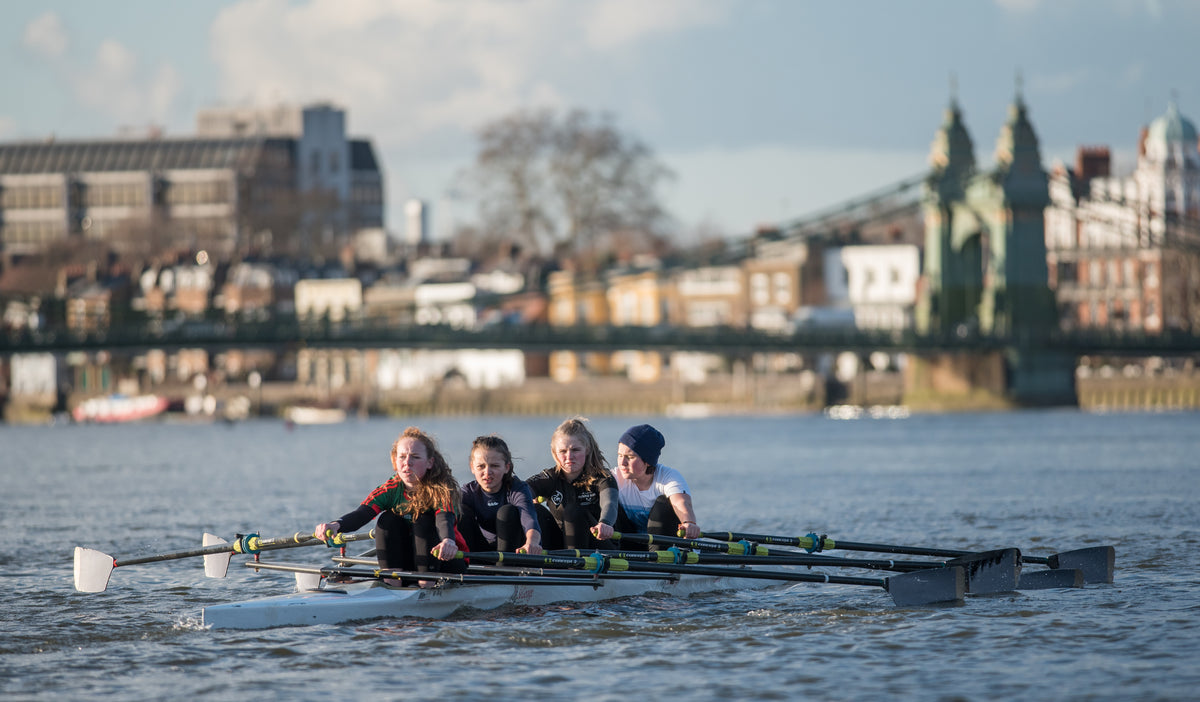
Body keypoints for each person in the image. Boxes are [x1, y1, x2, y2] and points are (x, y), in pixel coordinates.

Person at [313, 426, 466, 580]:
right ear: (394, 461)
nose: (407, 462)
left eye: (415, 457)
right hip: (409, 561)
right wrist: (335, 525)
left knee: (423, 520)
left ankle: (427, 585)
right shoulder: (390, 489)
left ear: (430, 463)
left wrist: (447, 540)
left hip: (447, 560)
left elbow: (444, 519)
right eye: (402, 457)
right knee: (387, 520)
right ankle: (392, 582)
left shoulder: (441, 491)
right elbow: (362, 513)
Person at [526, 416, 618, 550]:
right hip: (562, 543)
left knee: (573, 511)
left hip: (599, 542)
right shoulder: (550, 477)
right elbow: (520, 490)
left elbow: (610, 503)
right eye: (563, 451)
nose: (569, 457)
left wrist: (605, 522)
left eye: (575, 450)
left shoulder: (603, 477)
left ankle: (573, 568)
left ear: (586, 450)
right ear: (555, 454)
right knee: (532, 509)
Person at [613, 424, 701, 543]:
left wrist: (688, 522)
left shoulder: (669, 477)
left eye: (630, 457)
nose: (622, 463)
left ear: (648, 461)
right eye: (620, 455)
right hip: (632, 545)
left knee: (662, 503)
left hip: (665, 545)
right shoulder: (613, 477)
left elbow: (680, 502)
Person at [458, 434, 543, 554]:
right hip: (482, 548)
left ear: (506, 467)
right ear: (472, 467)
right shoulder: (468, 492)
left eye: (494, 466)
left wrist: (532, 542)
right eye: (481, 466)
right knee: (459, 511)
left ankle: (504, 569)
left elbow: (529, 519)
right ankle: (466, 565)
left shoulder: (517, 489)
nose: (487, 472)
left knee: (506, 512)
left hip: (516, 548)